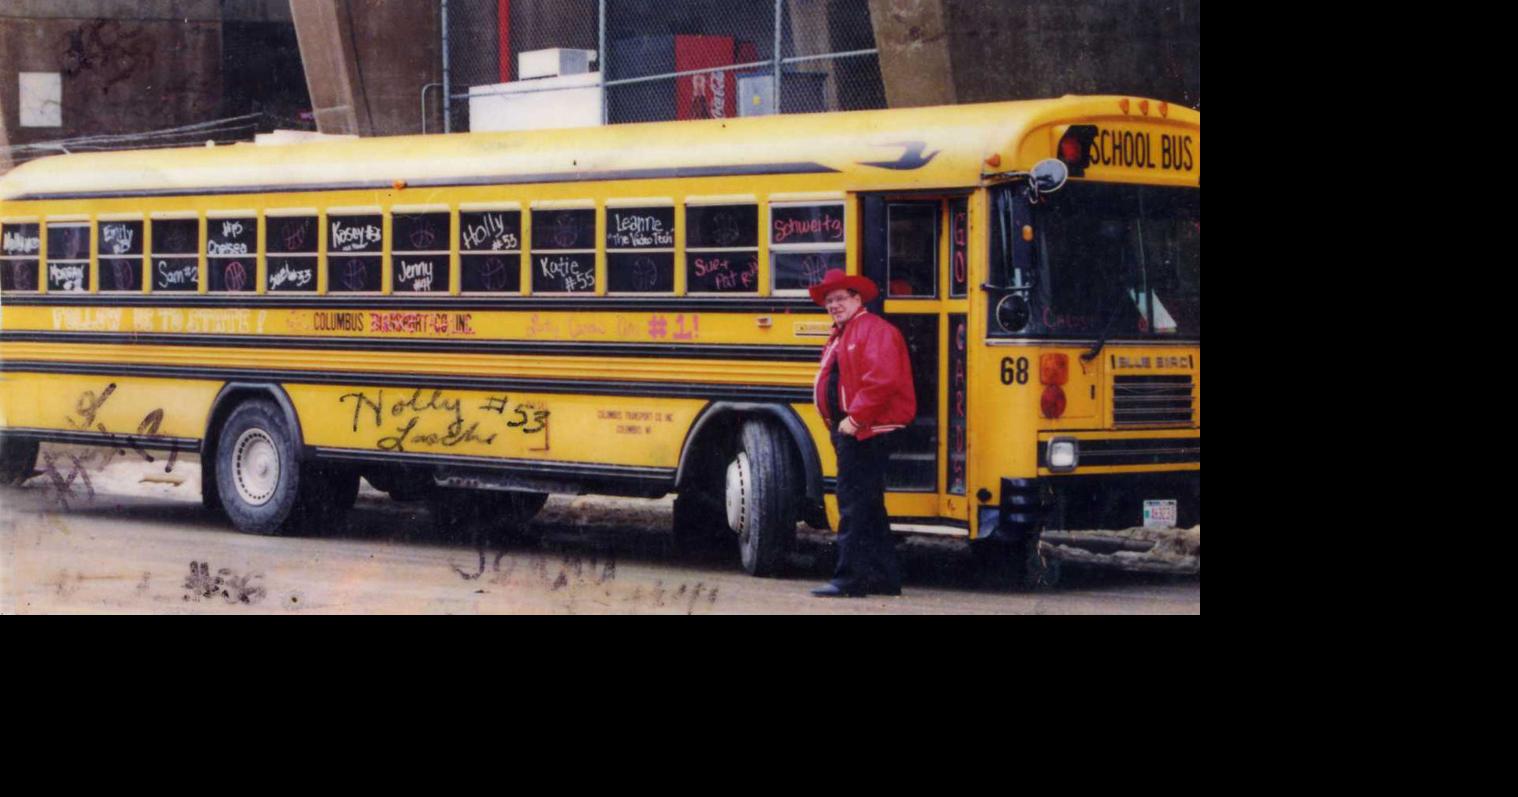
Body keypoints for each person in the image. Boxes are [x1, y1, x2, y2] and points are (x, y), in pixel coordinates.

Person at [807, 269, 916, 597]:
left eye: (840, 298)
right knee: (869, 505)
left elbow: (882, 380)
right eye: (829, 301)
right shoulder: (845, 332)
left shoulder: (873, 330)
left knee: (853, 504)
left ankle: (849, 579)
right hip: (855, 429)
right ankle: (884, 578)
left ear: (857, 298)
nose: (834, 305)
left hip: (867, 430)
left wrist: (855, 419)